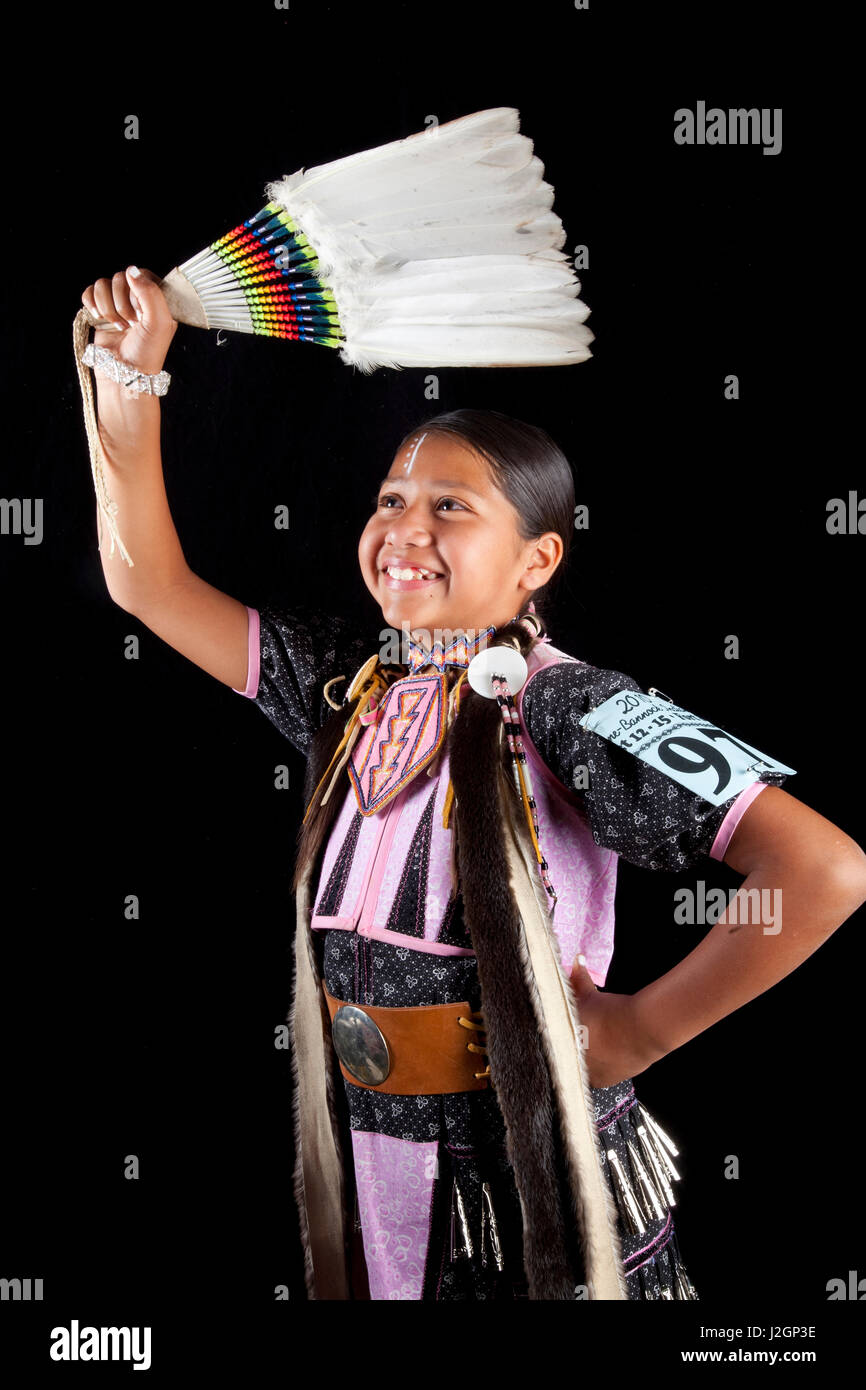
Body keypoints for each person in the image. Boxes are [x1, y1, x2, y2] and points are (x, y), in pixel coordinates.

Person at [79, 266, 866, 1301]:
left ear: (536, 559)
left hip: (520, 1166)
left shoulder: (566, 704)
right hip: (372, 1145)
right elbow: (145, 581)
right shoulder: (344, 687)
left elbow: (819, 867)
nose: (405, 527)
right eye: (390, 498)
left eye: (450, 505)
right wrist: (126, 382)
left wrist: (637, 1029)